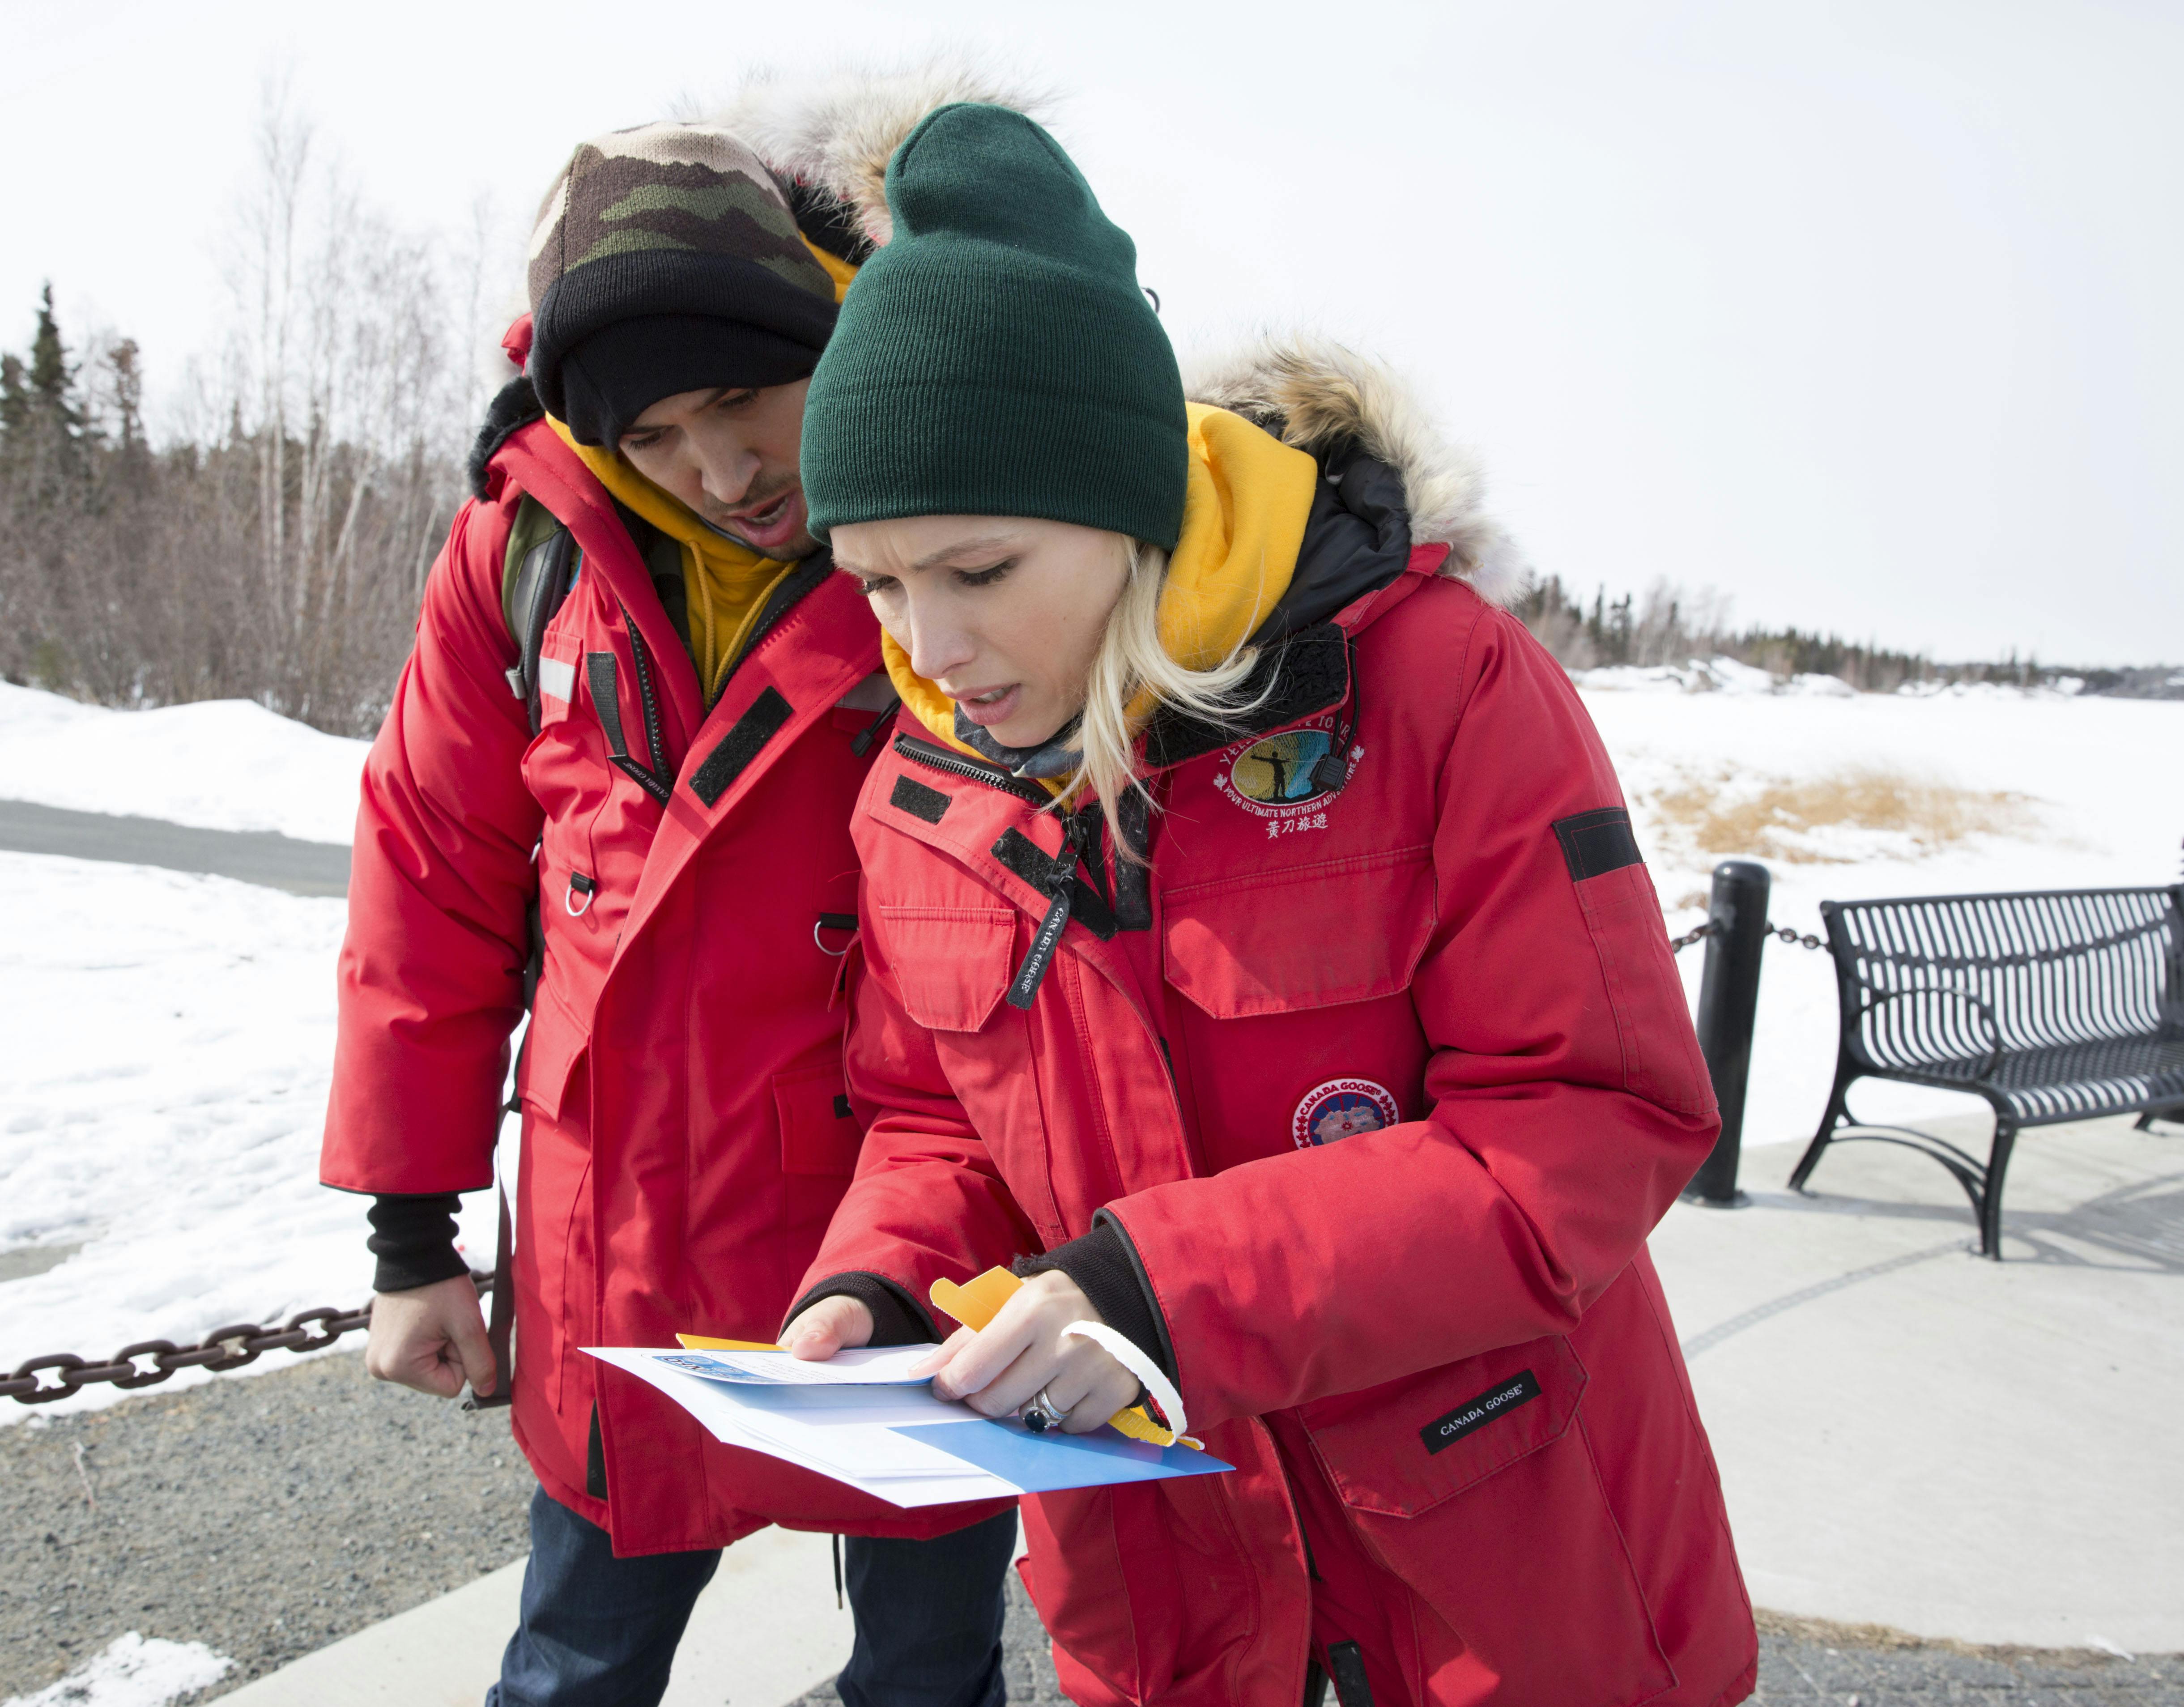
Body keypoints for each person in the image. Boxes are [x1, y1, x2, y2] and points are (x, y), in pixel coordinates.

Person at [780, 103, 1759, 1707]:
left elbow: (1591, 1121)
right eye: (879, 583)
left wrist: (1165, 1296)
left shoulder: (1437, 685)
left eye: (976, 567)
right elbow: (936, 1116)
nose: (927, 645)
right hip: (1169, 1589)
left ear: (1127, 505)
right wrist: (878, 1279)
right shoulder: (923, 785)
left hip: (1495, 1572)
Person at [319, 77, 1031, 1707]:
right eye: (648, 432)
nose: (718, 470)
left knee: (927, 1678)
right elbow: (429, 886)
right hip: (611, 1245)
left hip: (914, 1230)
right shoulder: (521, 556)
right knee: (571, 1674)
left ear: (822, 335)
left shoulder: (966, 524)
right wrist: (409, 1233)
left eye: (743, 394)